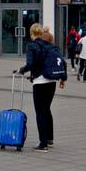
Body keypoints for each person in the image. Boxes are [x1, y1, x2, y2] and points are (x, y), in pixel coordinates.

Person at [16, 24, 67, 152]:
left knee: (40, 112)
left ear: (31, 33)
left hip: (40, 82)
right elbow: (62, 62)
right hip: (52, 81)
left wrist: (21, 71)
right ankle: (49, 139)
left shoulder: (32, 45)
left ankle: (43, 144)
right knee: (47, 110)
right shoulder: (49, 45)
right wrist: (63, 78)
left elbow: (30, 63)